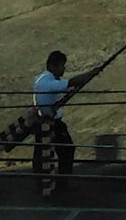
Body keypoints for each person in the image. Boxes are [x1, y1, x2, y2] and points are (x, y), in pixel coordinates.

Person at [29, 50, 106, 198]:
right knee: (65, 151)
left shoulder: (42, 78)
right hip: (52, 124)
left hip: (45, 121)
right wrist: (92, 73)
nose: (64, 70)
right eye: (62, 66)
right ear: (54, 66)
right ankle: (60, 184)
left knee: (42, 153)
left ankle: (44, 184)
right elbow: (72, 82)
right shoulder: (48, 83)